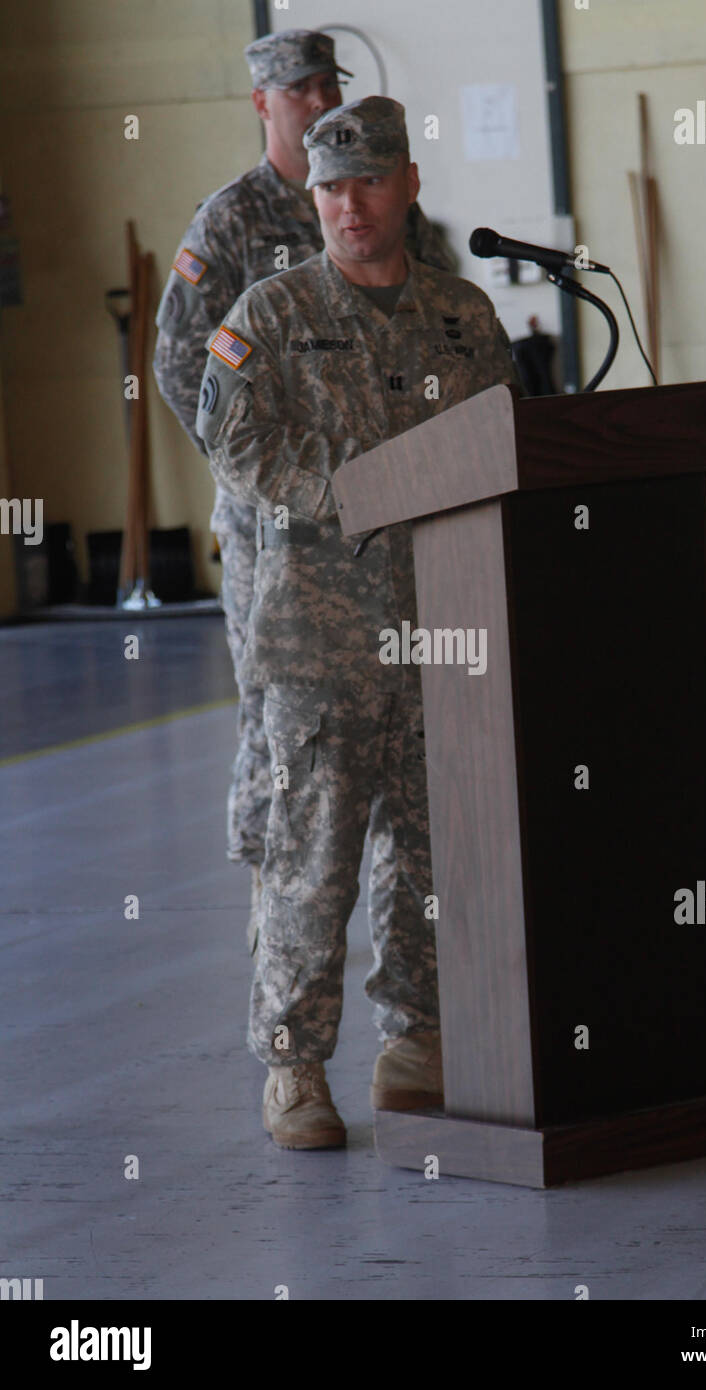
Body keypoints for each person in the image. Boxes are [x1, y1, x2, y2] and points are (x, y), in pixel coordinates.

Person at [197, 96, 518, 1150]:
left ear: (408, 183)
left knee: (432, 851)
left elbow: (510, 448)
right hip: (314, 641)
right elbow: (231, 441)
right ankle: (293, 1069)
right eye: (330, 186)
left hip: (445, 625)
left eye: (368, 180)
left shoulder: (464, 319)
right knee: (312, 856)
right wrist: (354, 495)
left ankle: (415, 1041)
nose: (348, 203)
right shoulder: (271, 314)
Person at [152, 31, 453, 955]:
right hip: (277, 533)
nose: (316, 98)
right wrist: (269, 485)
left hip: (408, 529)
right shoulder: (233, 220)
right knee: (285, 722)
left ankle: (417, 985)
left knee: (413, 722)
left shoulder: (403, 217)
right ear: (262, 104)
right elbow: (178, 362)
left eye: (328, 82)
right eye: (299, 88)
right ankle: (270, 888)